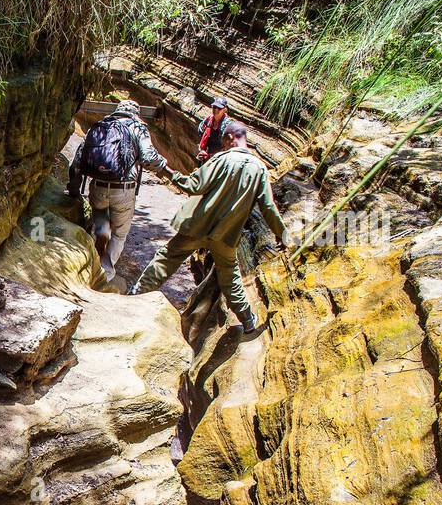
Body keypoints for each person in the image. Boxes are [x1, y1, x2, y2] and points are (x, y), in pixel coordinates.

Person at [129, 120, 287, 338]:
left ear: (230, 138)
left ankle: (137, 293)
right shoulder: (259, 168)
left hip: (198, 226)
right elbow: (268, 207)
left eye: (224, 139)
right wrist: (282, 234)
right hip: (227, 235)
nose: (222, 143)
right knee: (230, 276)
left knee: (167, 258)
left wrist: (166, 170)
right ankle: (248, 320)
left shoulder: (222, 159)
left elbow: (193, 186)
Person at [67, 99, 171, 282]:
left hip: (97, 187)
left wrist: (74, 189)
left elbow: (78, 159)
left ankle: (92, 263)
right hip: (123, 190)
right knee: (119, 233)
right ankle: (105, 275)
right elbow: (149, 157)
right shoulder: (137, 126)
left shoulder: (100, 126)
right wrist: (163, 164)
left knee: (101, 227)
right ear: (135, 113)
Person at [196, 97, 230, 162]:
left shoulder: (227, 125)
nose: (216, 110)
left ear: (224, 110)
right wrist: (202, 150)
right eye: (214, 107)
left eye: (219, 108)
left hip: (220, 159)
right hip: (206, 155)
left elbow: (228, 146)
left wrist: (213, 156)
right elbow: (201, 132)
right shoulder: (208, 120)